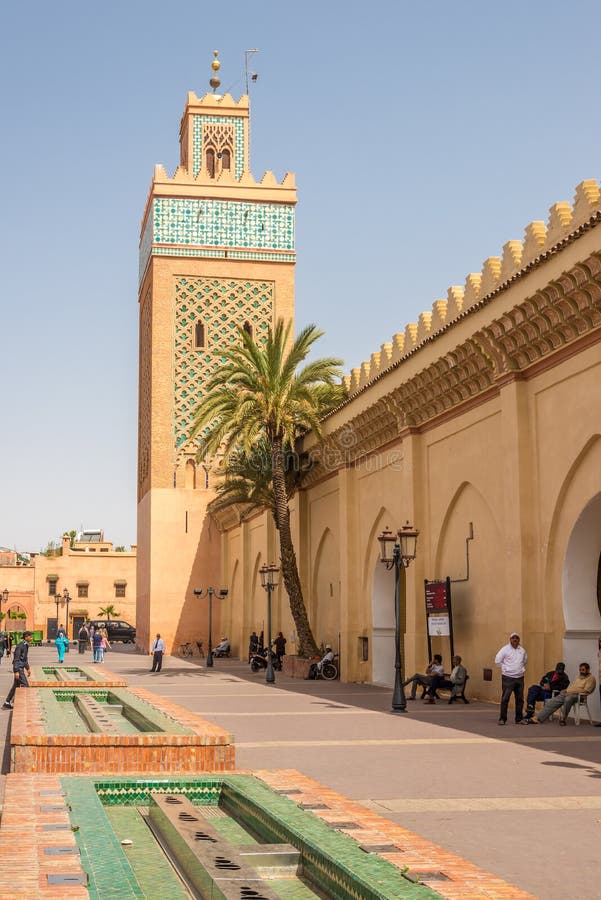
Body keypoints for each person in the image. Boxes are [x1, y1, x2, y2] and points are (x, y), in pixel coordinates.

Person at [529, 663, 596, 724]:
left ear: (588, 670)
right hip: (568, 693)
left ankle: (563, 719)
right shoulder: (578, 677)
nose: (581, 671)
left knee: (568, 699)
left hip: (579, 696)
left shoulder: (591, 678)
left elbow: (586, 691)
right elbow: (573, 687)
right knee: (553, 701)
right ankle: (537, 718)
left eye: (583, 670)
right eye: (580, 670)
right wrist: (566, 690)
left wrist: (570, 692)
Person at [494, 632, 527, 724]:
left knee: (520, 699)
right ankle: (502, 719)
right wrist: (506, 668)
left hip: (520, 678)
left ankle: (519, 719)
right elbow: (497, 661)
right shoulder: (505, 649)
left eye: (517, 638)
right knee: (505, 698)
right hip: (508, 678)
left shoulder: (522, 650)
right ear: (510, 639)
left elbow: (525, 661)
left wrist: (520, 669)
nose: (515, 640)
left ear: (519, 640)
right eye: (513, 638)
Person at [2, 631, 32, 709]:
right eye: (30, 637)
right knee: (25, 685)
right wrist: (16, 671)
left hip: (21, 667)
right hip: (18, 668)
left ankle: (7, 702)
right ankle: (22, 704)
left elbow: (24, 658)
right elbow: (16, 659)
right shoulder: (20, 646)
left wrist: (28, 668)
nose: (31, 638)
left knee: (16, 685)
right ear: (26, 637)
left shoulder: (26, 645)